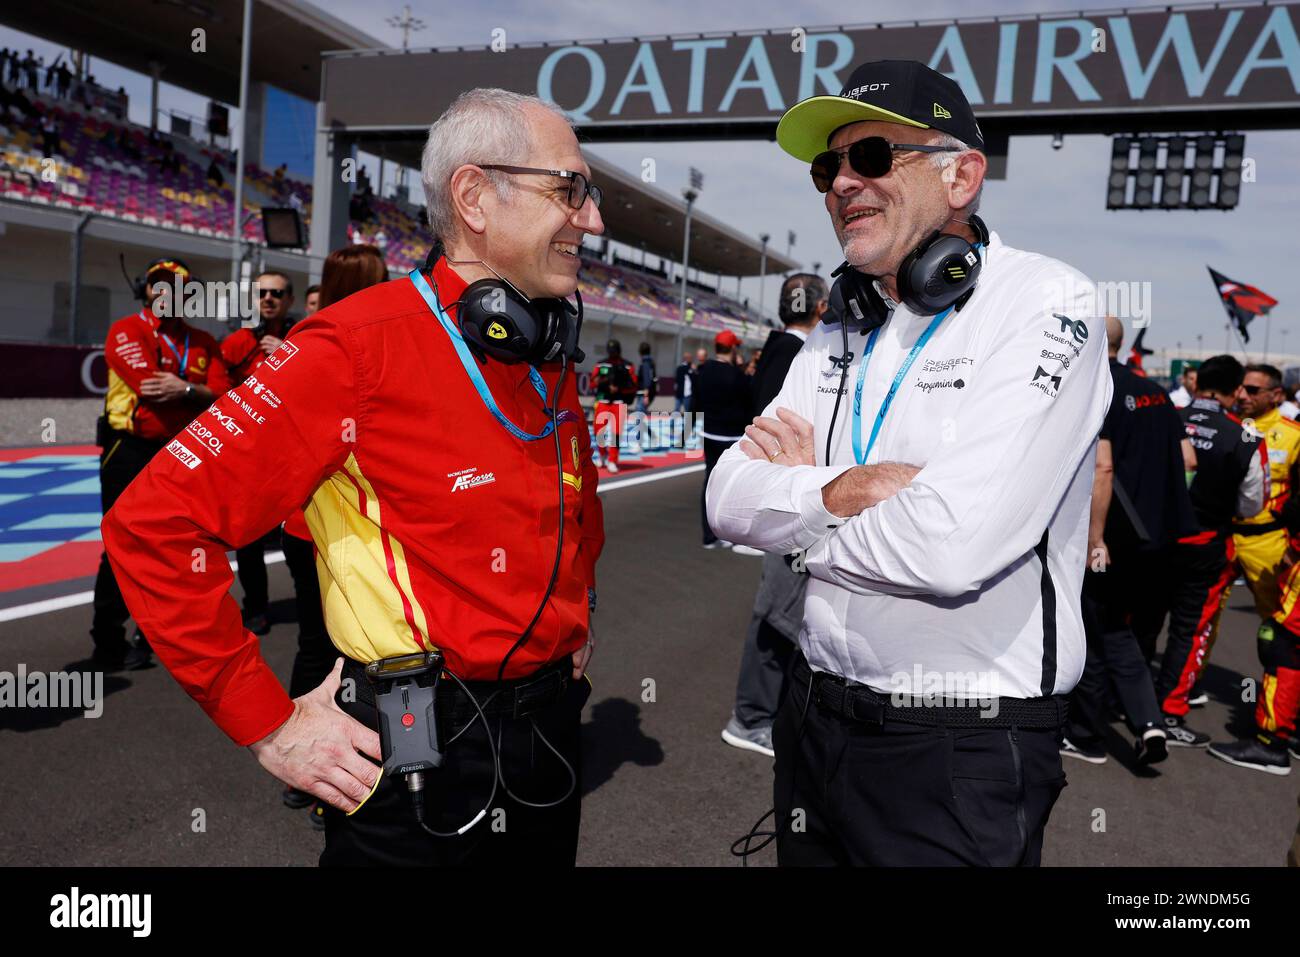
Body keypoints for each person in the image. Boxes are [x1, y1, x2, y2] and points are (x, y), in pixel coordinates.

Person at [103, 87, 605, 867]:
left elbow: (573, 509)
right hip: (418, 756)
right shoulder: (352, 346)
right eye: (569, 189)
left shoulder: (543, 349)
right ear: (475, 196)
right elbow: (153, 526)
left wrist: (576, 615)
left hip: (550, 735)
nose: (593, 219)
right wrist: (268, 721)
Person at [708, 60, 1111, 866]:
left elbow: (950, 549)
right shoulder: (837, 326)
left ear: (962, 174)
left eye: (871, 158)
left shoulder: (1046, 302)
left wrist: (797, 520)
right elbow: (726, 499)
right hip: (813, 719)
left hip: (959, 750)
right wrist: (853, 489)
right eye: (829, 167)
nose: (841, 185)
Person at [281, 245, 389, 824]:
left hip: (302, 525)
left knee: (315, 645)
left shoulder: (306, 337)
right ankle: (345, 772)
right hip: (351, 529)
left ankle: (312, 763)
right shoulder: (372, 339)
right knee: (359, 652)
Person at [1061, 317, 1194, 766]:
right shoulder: (1155, 391)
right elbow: (1187, 457)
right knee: (1118, 630)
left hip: (1112, 534)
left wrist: (1096, 538)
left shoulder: (1098, 388)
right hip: (1161, 536)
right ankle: (1147, 720)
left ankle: (1085, 734)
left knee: (1095, 631)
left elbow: (1102, 468)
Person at [92, 257, 230, 671]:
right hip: (130, 450)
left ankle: (156, 636)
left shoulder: (203, 340)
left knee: (179, 548)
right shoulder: (125, 331)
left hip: (184, 454)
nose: (169, 294)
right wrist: (197, 392)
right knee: (120, 546)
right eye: (160, 285)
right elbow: (150, 388)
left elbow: (225, 394)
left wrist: (185, 388)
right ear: (146, 290)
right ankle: (107, 641)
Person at [722, 273, 828, 756]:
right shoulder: (797, 354)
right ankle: (751, 717)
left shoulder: (777, 347)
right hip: (788, 500)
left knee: (784, 613)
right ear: (819, 307)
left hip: (788, 498)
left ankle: (759, 713)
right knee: (777, 614)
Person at [1155, 355, 1267, 747]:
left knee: (1140, 619)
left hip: (1152, 539)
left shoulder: (1162, 414)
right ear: (1236, 390)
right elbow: (1253, 505)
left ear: (1197, 381)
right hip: (1206, 545)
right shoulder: (1247, 437)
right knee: (1190, 630)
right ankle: (1168, 712)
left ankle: (1127, 701)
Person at [219, 270, 297, 637]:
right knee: (248, 539)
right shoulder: (235, 343)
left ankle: (317, 604)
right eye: (262, 293)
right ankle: (256, 606)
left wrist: (286, 357)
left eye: (276, 294)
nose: (268, 299)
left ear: (289, 301)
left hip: (298, 454)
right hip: (249, 456)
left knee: (305, 534)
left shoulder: (303, 337)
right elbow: (217, 394)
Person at [696, 329, 752, 550]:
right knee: (732, 485)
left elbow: (695, 403)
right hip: (731, 435)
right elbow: (748, 405)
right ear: (733, 348)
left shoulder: (703, 371)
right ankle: (728, 532)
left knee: (709, 481)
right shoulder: (737, 376)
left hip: (709, 433)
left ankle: (708, 536)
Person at [591, 339, 637, 473]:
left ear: (619, 350)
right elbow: (592, 383)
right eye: (611, 350)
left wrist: (619, 388)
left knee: (616, 434)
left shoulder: (628, 366)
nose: (613, 353)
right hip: (603, 402)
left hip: (619, 403)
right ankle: (603, 455)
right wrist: (604, 383)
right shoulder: (601, 364)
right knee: (598, 431)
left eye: (615, 350)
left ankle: (612, 460)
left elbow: (633, 386)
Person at [635, 341, 657, 415]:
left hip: (644, 393)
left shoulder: (645, 363)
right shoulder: (651, 362)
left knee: (639, 415)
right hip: (650, 391)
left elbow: (647, 380)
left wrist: (646, 395)